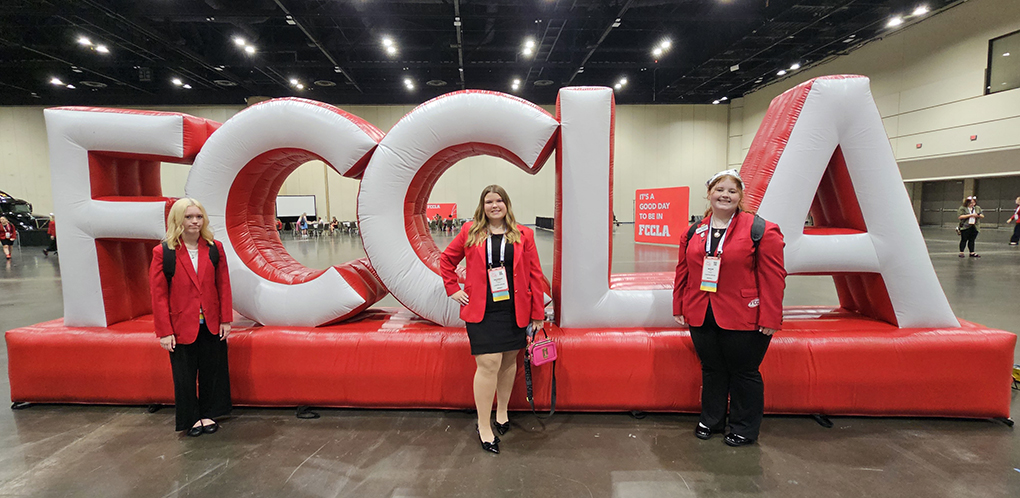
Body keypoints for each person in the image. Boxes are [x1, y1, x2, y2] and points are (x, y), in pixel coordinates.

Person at [673, 169, 786, 447]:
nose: (725, 195)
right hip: (701, 311)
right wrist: (679, 305)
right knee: (712, 369)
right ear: (709, 194)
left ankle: (744, 427)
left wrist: (770, 316)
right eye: (719, 190)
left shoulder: (761, 229)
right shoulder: (693, 231)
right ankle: (711, 420)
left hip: (745, 315)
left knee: (744, 372)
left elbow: (774, 277)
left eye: (732, 191)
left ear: (741, 196)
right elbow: (683, 271)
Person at [440, 185, 546, 454]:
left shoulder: (524, 234)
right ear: (482, 206)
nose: (494, 205)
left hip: (514, 310)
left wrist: (537, 314)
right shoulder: (470, 232)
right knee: (488, 365)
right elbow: (446, 260)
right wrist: (453, 288)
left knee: (509, 362)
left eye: (499, 200)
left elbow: (535, 275)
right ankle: (483, 425)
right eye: (489, 201)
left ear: (507, 204)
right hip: (482, 311)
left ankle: (502, 411)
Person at [149, 198, 233, 437]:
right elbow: (158, 295)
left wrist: (226, 319)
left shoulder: (214, 247)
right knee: (184, 377)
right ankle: (191, 418)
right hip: (180, 326)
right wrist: (164, 331)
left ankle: (208, 413)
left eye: (198, 216)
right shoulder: (163, 252)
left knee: (211, 371)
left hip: (212, 323)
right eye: (189, 217)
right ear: (178, 220)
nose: (195, 221)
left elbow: (223, 286)